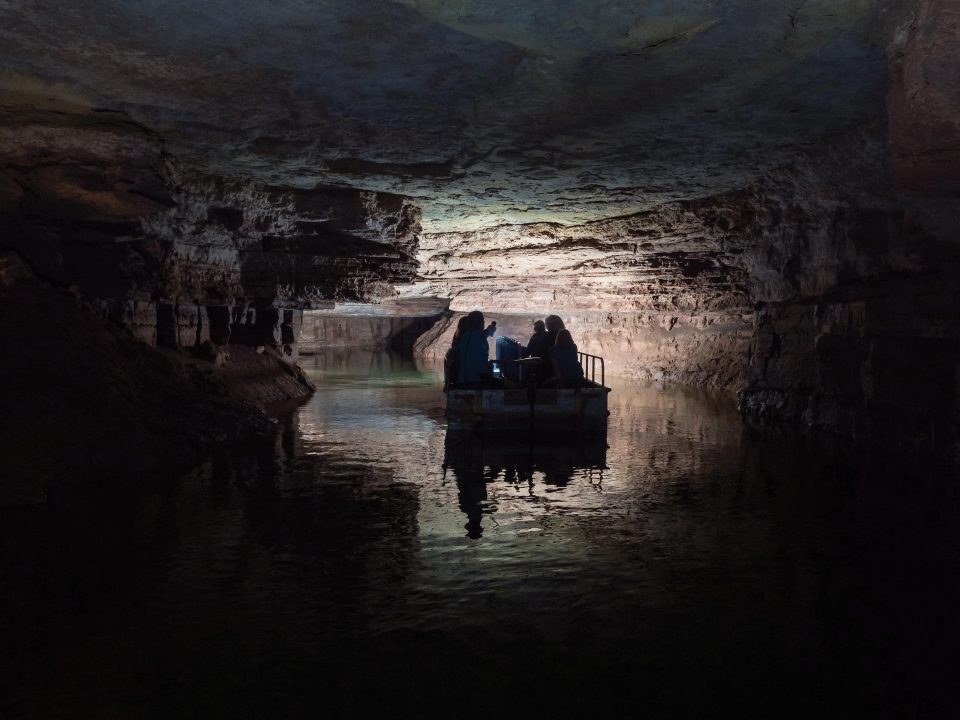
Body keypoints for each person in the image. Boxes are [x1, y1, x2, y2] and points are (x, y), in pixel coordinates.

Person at [457, 310, 497, 384]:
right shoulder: (477, 339)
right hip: (475, 381)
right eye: (482, 321)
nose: (484, 323)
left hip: (464, 379)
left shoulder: (466, 336)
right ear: (480, 323)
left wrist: (489, 331)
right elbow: (479, 367)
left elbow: (480, 335)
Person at [443, 315, 469, 390]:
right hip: (466, 379)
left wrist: (446, 383)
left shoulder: (453, 349)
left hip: (455, 380)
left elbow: (447, 367)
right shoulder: (468, 341)